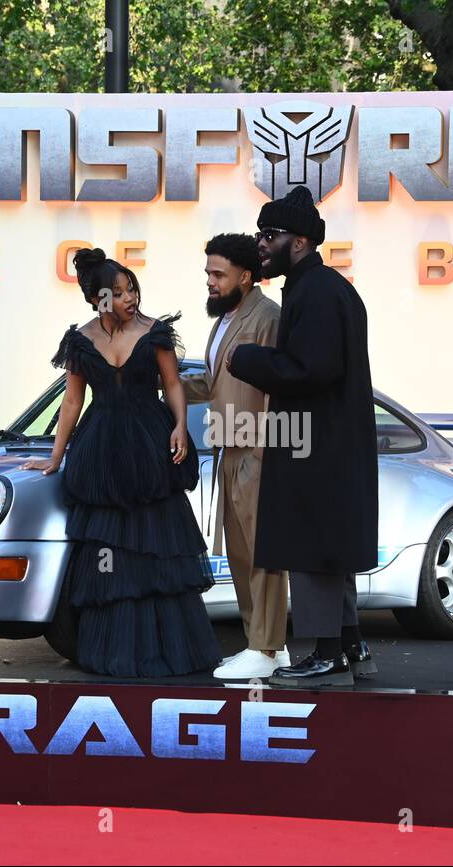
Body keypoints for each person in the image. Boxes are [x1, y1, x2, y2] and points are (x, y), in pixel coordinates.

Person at [21, 247, 220, 678]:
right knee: (109, 552)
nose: (129, 297)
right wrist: (54, 458)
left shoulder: (155, 333)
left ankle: (169, 650)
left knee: (157, 541)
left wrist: (181, 425)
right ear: (98, 299)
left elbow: (172, 384)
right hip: (101, 451)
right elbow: (72, 402)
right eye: (119, 291)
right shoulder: (80, 340)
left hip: (151, 444)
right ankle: (114, 652)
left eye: (132, 288)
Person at [227, 185, 379, 688]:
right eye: (259, 234)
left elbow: (312, 369)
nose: (260, 245)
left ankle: (325, 655)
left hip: (319, 446)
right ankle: (350, 647)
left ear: (300, 242)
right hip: (327, 443)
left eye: (269, 235)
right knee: (328, 549)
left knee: (314, 549)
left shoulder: (314, 293)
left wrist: (249, 358)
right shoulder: (323, 289)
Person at [180, 233, 289, 680]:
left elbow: (278, 384)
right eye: (208, 272)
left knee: (264, 555)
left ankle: (264, 648)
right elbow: (210, 384)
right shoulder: (224, 318)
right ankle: (264, 647)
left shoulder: (268, 317)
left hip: (257, 451)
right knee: (243, 556)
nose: (209, 280)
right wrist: (162, 389)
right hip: (229, 450)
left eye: (218, 273)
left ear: (246, 276)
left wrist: (263, 453)